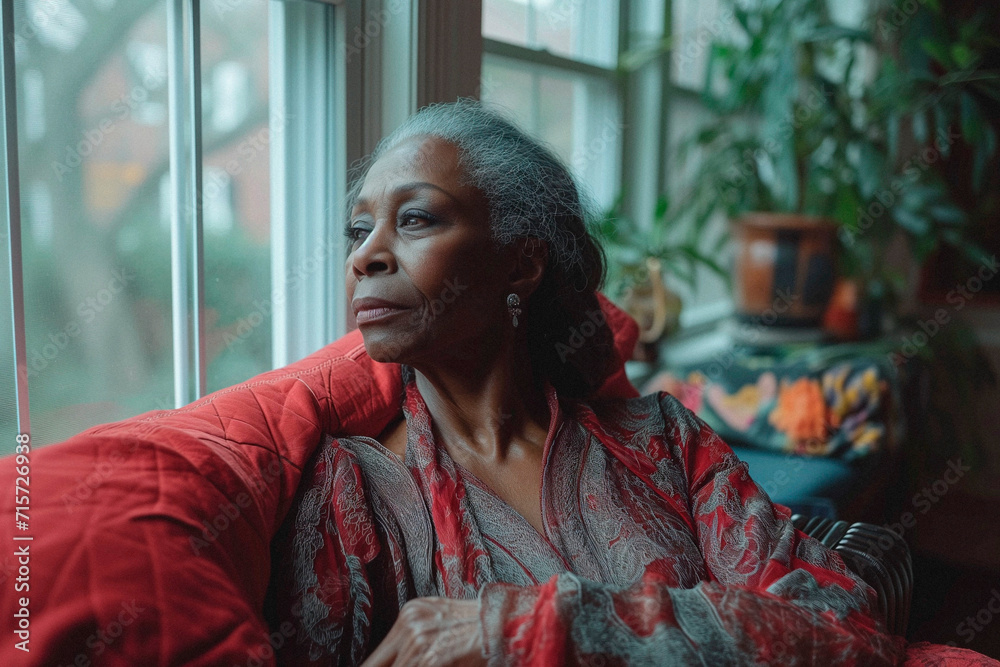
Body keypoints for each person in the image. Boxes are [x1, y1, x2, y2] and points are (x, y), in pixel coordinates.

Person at [266, 100, 936, 666]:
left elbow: (846, 626)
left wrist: (527, 626)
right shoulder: (347, 493)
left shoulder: (663, 442)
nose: (363, 255)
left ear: (521, 262)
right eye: (358, 230)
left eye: (415, 218)